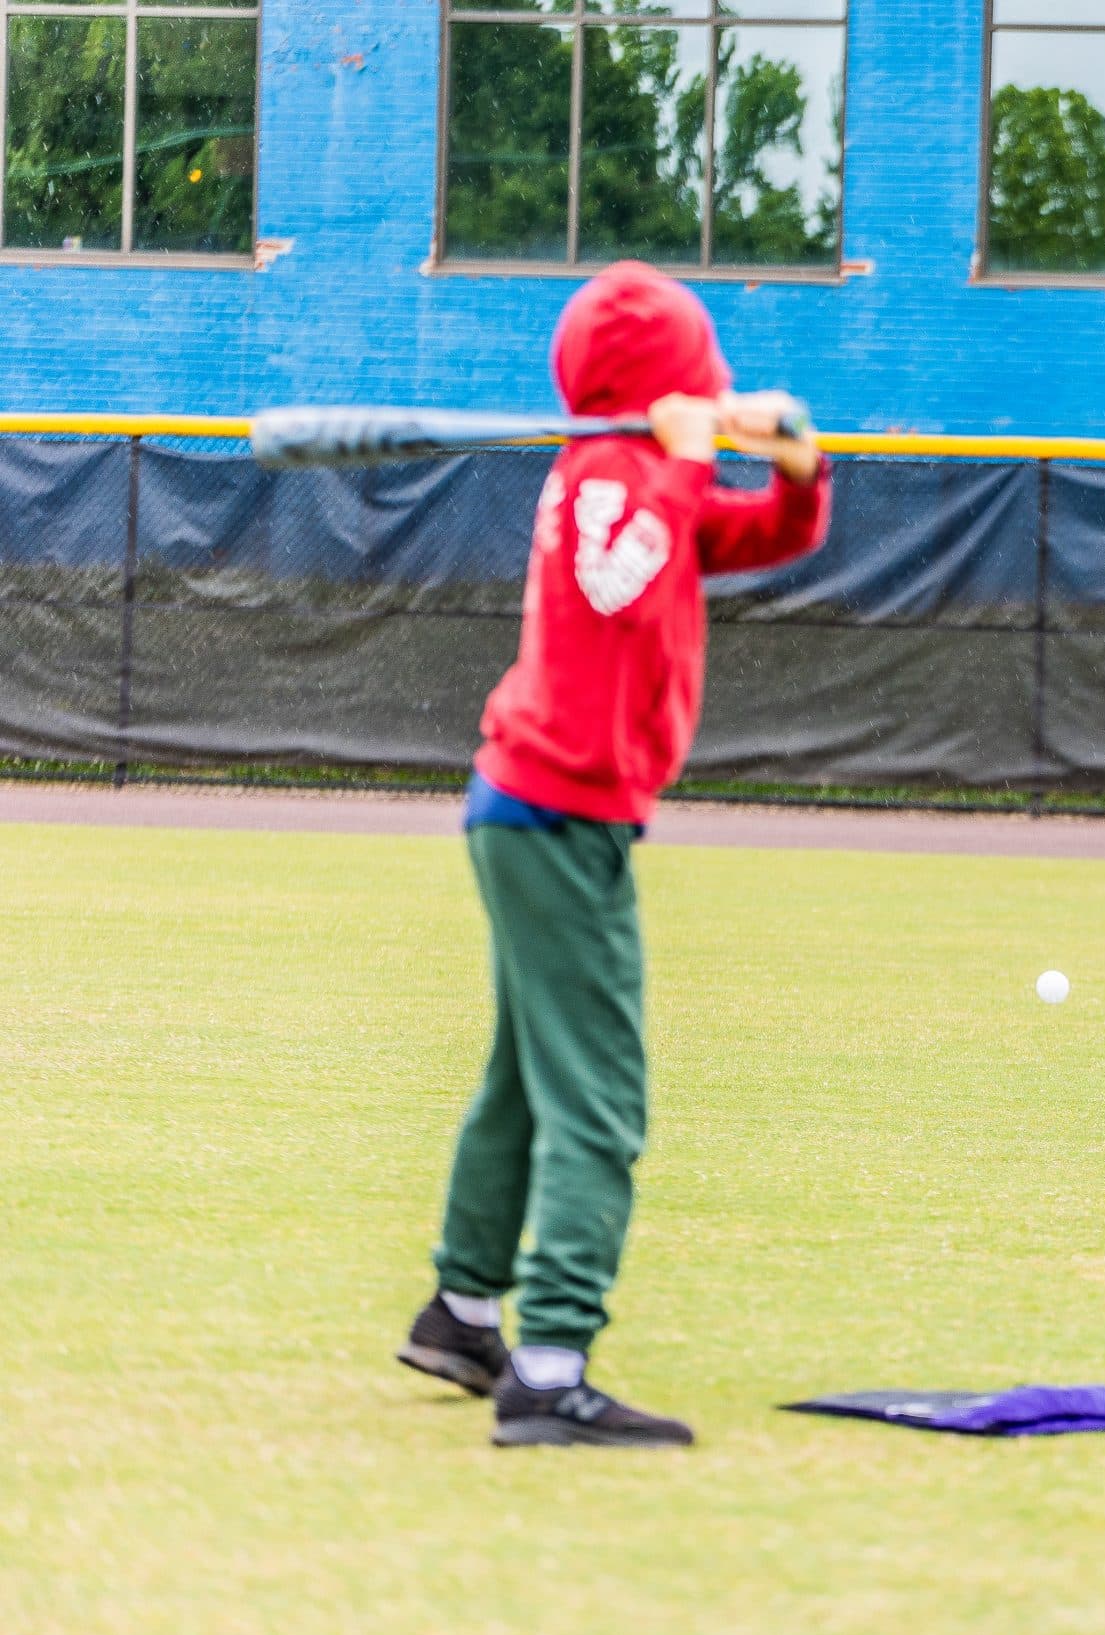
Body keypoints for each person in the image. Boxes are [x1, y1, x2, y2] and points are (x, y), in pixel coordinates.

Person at [395, 261, 832, 1443]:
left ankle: (461, 1313)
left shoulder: (638, 477)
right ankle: (548, 1370)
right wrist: (688, 454)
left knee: (522, 1081)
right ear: (662, 382)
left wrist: (793, 466)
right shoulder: (607, 474)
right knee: (600, 1097)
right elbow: (619, 585)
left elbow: (753, 537)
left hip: (544, 811)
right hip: (554, 815)